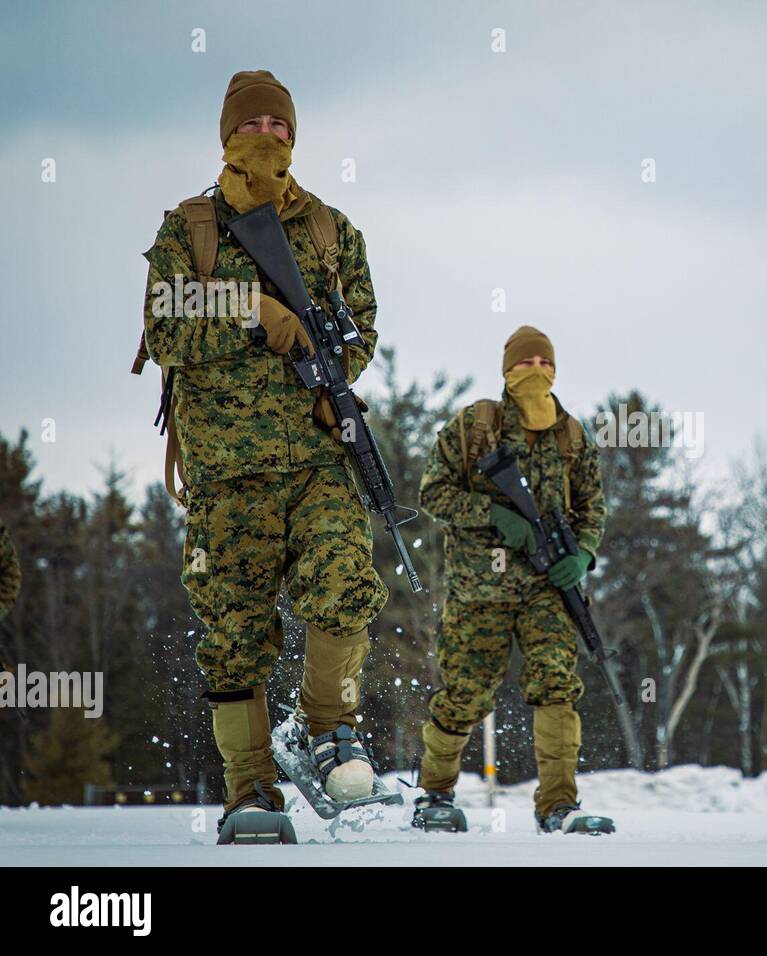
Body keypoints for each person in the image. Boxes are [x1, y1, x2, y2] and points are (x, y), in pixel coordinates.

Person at [139, 70, 388, 838]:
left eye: (279, 128)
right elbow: (165, 328)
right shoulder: (192, 230)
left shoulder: (330, 229)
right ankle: (251, 792)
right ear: (226, 135)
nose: (267, 139)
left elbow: (365, 329)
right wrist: (253, 313)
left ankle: (325, 730)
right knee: (234, 633)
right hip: (225, 471)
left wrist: (333, 375)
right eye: (252, 126)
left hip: (317, 459)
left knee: (347, 581)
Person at [414, 325, 614, 834]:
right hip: (480, 590)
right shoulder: (475, 425)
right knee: (464, 695)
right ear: (507, 371)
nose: (537, 373)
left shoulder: (571, 433)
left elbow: (593, 506)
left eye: (546, 365)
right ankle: (434, 796)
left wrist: (584, 555)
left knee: (556, 687)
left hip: (549, 588)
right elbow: (433, 494)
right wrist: (493, 514)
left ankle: (558, 806)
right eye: (527, 364)